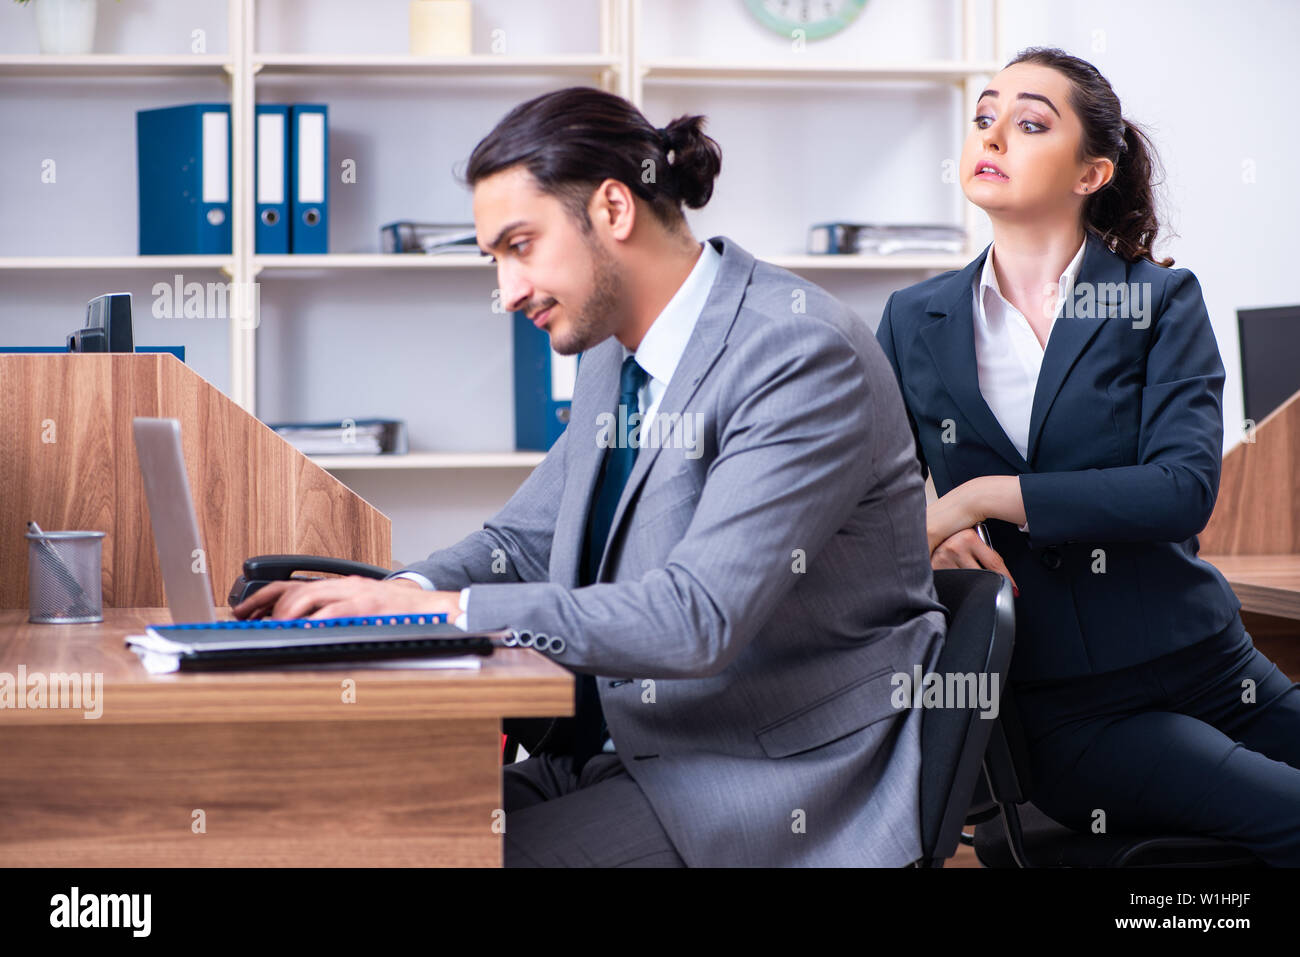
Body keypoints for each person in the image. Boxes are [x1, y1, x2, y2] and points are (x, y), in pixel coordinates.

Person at [234, 86, 946, 867]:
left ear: (613, 208)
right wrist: (393, 598)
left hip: (760, 782)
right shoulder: (615, 352)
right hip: (619, 749)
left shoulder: (796, 355)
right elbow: (524, 539)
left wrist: (442, 613)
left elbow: (697, 617)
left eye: (520, 245)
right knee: (357, 833)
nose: (505, 293)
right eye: (494, 259)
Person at [876, 46, 1300, 864]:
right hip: (1068, 711)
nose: (994, 135)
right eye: (984, 117)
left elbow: (1180, 490)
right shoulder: (912, 319)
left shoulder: (1158, 299)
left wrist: (977, 498)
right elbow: (863, 501)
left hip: (1212, 664)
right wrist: (922, 529)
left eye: (1030, 122)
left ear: (1091, 173)